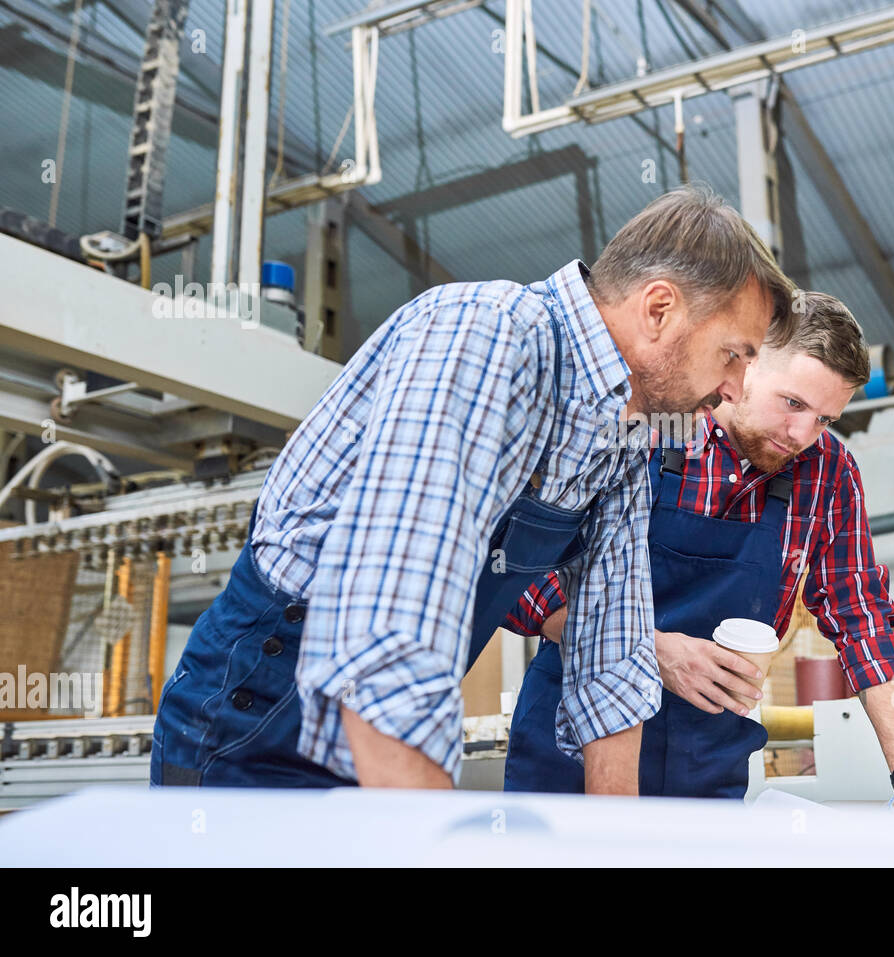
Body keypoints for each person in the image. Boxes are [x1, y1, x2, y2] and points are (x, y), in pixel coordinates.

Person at [151, 185, 794, 795]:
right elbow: (391, 622)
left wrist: (614, 847)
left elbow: (613, 656)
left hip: (372, 737)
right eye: (733, 355)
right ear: (659, 309)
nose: (736, 389)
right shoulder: (485, 335)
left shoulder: (629, 432)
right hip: (255, 719)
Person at [503, 291, 894, 803]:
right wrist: (645, 650)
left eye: (825, 418)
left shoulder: (828, 472)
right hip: (573, 740)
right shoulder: (646, 428)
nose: (804, 434)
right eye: (794, 403)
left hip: (707, 758)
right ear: (745, 362)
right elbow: (518, 580)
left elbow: (863, 618)